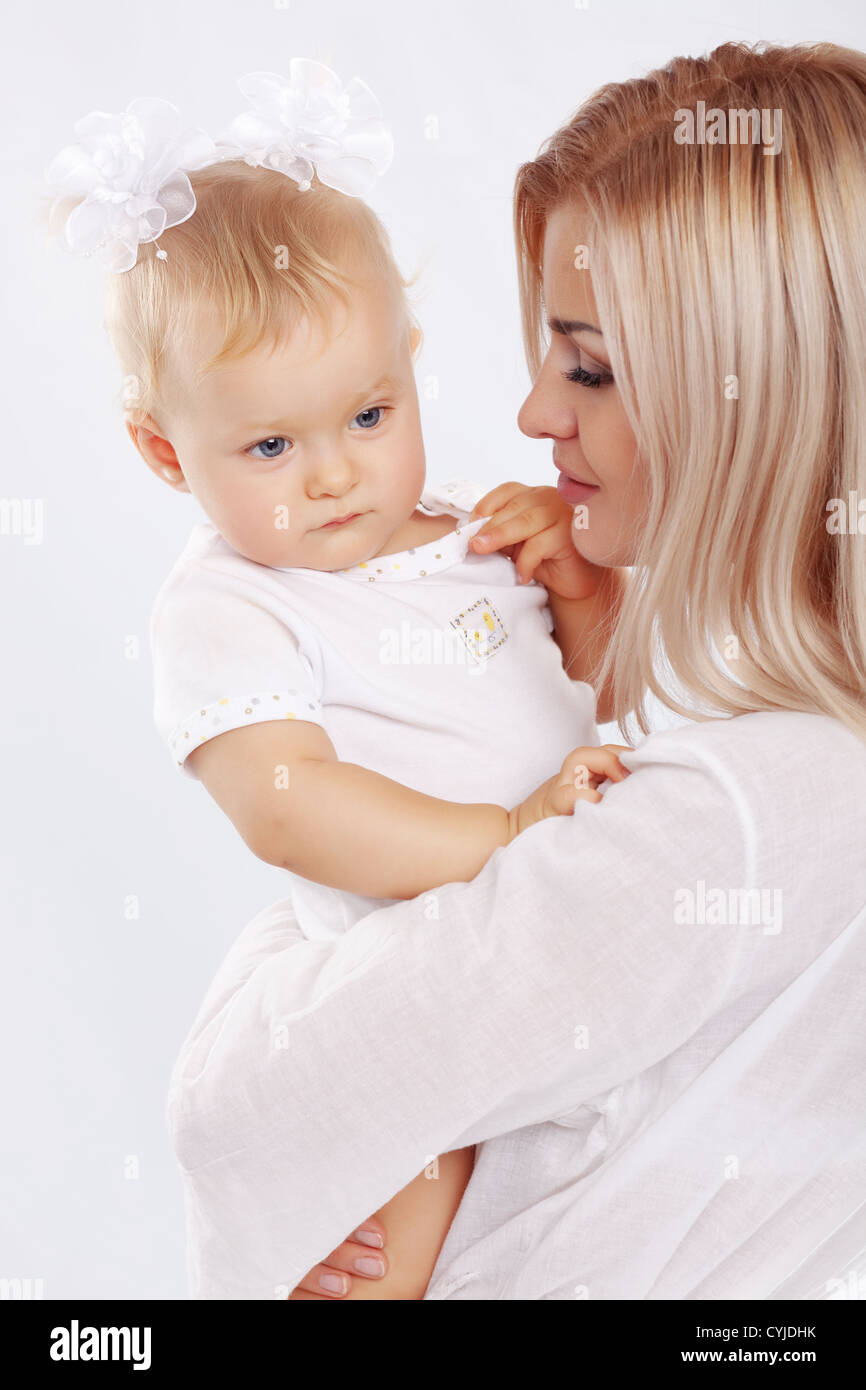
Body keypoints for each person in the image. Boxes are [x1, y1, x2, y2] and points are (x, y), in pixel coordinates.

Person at [165, 38, 866, 1300]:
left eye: (588, 366)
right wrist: (580, 631)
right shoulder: (744, 740)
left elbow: (233, 1115)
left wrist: (278, 969)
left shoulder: (751, 809)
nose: (536, 411)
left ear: (751, 393)